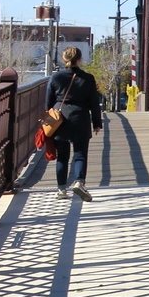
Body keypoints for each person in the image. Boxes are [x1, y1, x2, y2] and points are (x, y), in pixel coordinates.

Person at [46, 46, 102, 201]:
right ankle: (79, 182)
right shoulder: (88, 78)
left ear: (64, 59)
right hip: (80, 117)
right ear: (79, 60)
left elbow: (48, 102)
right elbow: (94, 103)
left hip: (60, 118)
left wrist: (49, 119)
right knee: (80, 154)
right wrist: (97, 122)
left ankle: (61, 190)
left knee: (62, 156)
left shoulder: (56, 77)